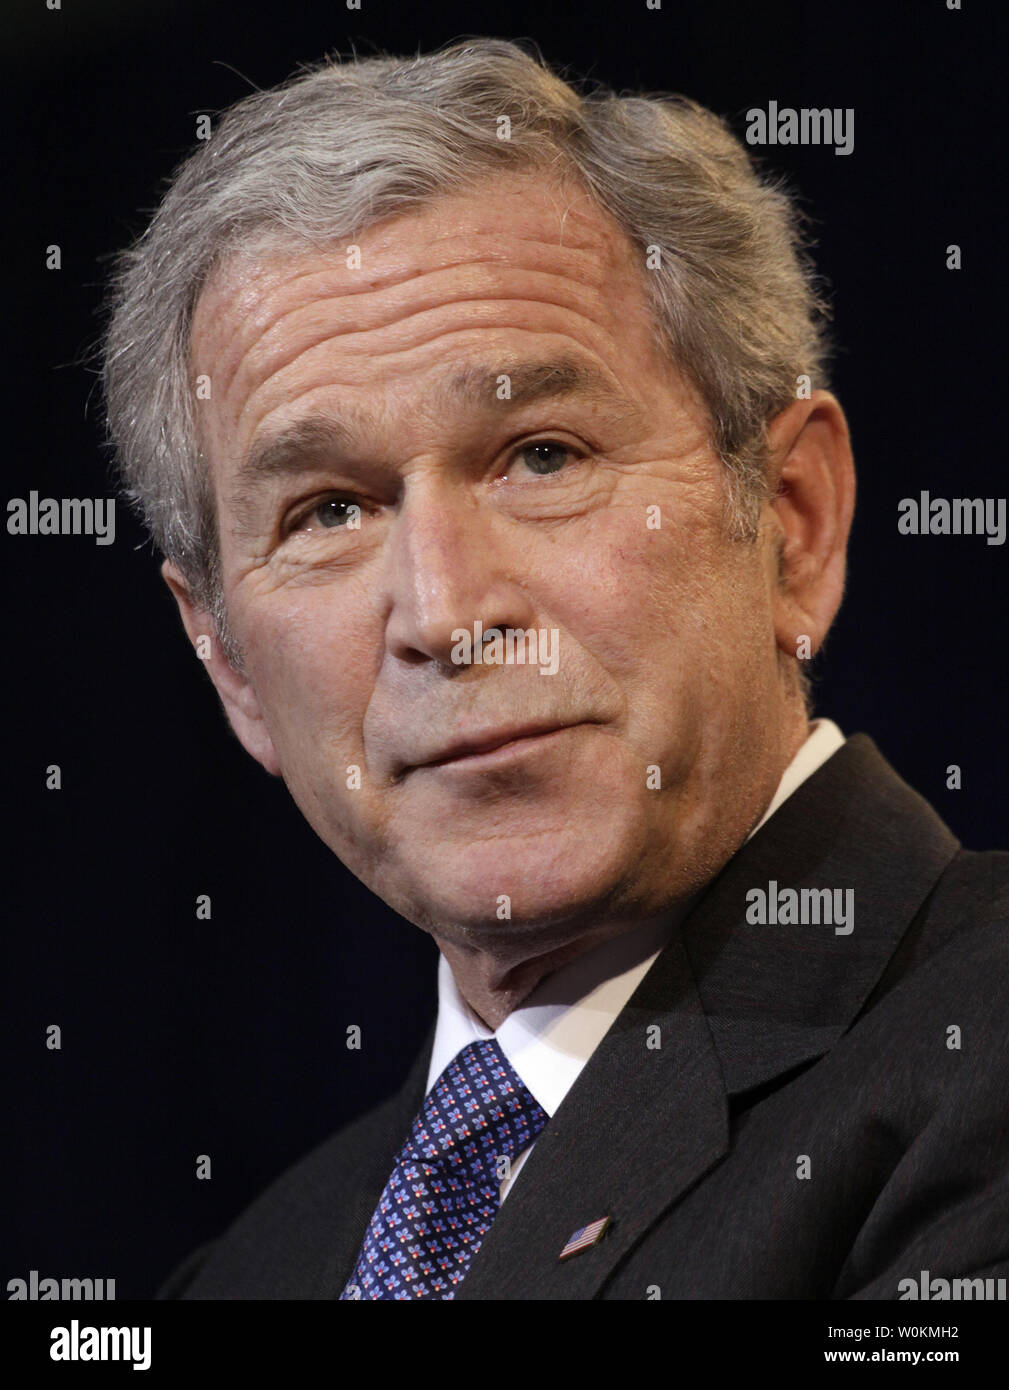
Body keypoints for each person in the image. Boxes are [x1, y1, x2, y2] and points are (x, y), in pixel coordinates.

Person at [100, 38, 1009, 1300]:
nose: (445, 611)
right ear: (230, 667)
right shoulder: (245, 1275)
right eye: (325, 512)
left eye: (540, 454)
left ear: (790, 521)